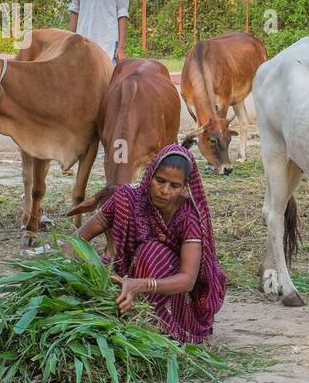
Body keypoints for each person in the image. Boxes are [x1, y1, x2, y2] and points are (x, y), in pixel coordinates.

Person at [77, 144, 226, 342]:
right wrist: (71, 261)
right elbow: (78, 239)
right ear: (150, 175)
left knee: (152, 252)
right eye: (160, 181)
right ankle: (123, 307)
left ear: (184, 187)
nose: (165, 191)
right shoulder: (126, 198)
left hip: (173, 293)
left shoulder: (188, 216)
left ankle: (155, 325)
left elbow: (188, 280)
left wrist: (142, 285)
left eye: (174, 186)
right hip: (127, 278)